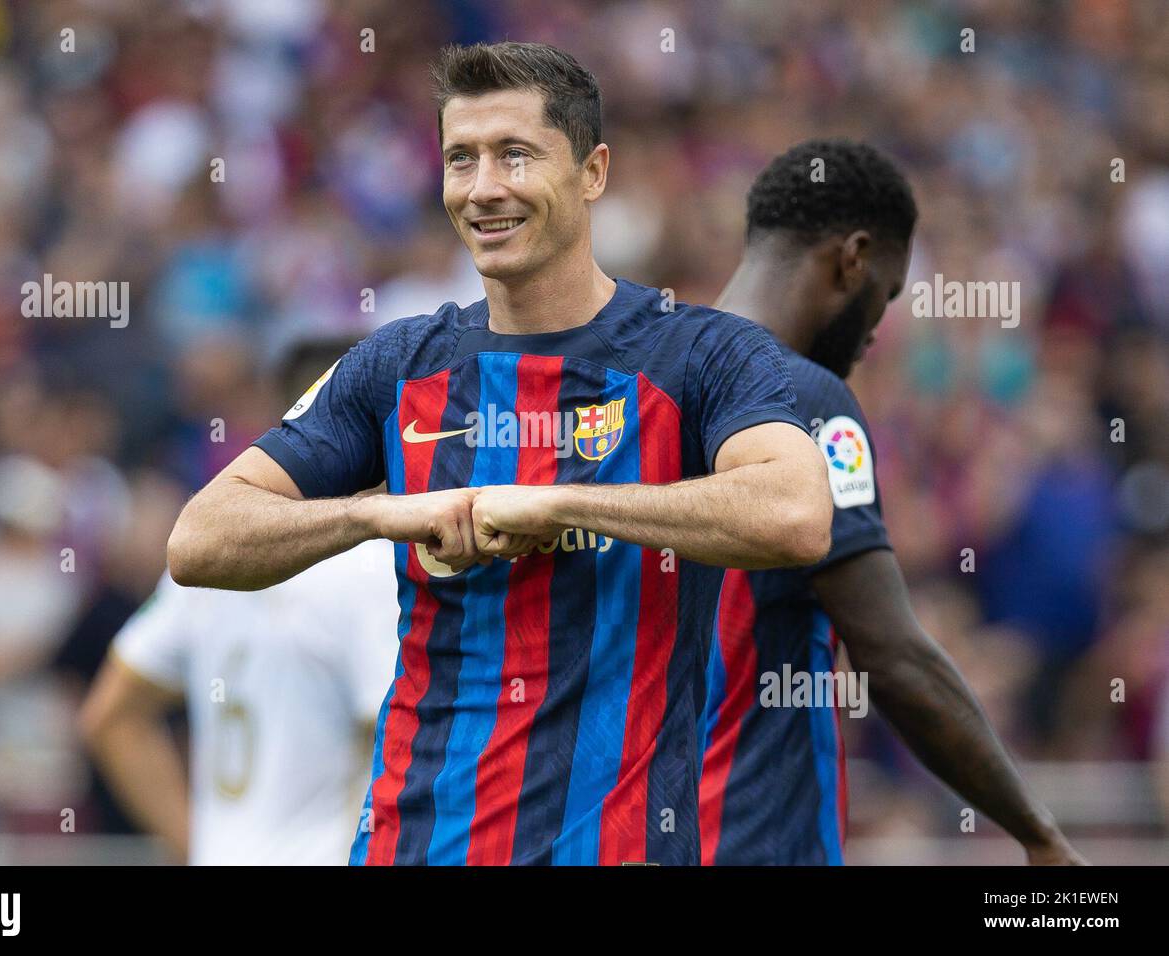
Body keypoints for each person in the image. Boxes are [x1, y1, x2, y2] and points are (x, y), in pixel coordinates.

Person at [167, 41, 833, 866]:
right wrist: (377, 512)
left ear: (592, 172)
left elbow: (799, 514)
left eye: (515, 155)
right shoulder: (397, 365)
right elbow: (199, 540)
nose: (484, 188)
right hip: (417, 846)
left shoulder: (704, 355)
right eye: (461, 159)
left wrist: (560, 503)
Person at [699, 138, 1083, 865]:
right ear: (852, 259)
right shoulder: (811, 403)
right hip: (754, 836)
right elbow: (893, 654)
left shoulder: (637, 385)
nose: (878, 328)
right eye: (888, 291)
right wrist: (1040, 836)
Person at [79, 340, 400, 865]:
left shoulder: (207, 560)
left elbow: (110, 718)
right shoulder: (370, 566)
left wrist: (197, 849)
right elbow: (390, 750)